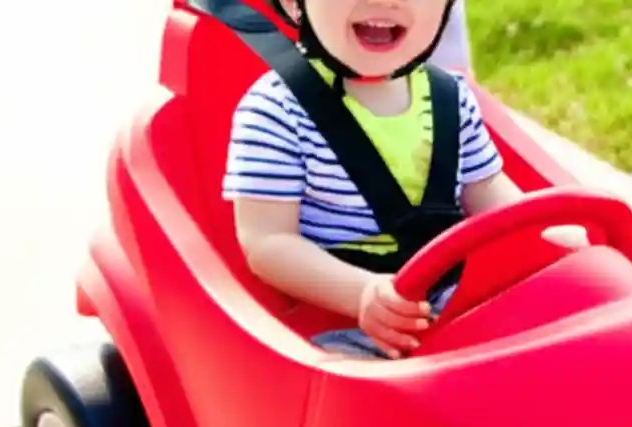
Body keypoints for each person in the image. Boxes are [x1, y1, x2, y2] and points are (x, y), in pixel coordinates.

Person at [223, 0, 529, 359]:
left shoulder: (451, 98)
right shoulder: (277, 110)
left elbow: (490, 192)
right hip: (341, 322)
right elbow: (267, 241)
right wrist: (360, 293)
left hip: (454, 299)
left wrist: (547, 235)